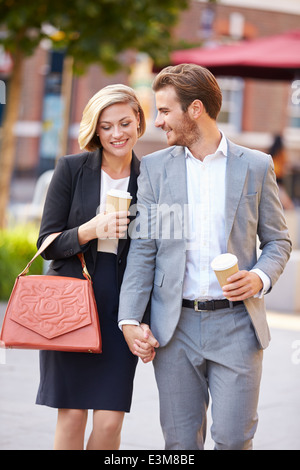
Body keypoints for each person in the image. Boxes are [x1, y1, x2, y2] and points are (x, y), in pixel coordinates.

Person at [118, 64, 292, 450]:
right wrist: (130, 319)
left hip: (237, 325)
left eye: (164, 111)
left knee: (233, 439)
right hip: (174, 328)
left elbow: (279, 242)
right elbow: (145, 248)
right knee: (181, 445)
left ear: (195, 109)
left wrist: (259, 278)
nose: (158, 122)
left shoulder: (256, 166)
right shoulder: (156, 169)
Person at [35, 84, 153, 450]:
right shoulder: (71, 169)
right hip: (70, 305)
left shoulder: (151, 176)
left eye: (124, 123)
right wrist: (89, 230)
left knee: (109, 422)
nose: (116, 134)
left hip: (122, 307)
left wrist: (144, 316)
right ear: (95, 130)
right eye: (106, 126)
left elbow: (156, 255)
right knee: (71, 417)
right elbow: (46, 245)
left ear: (138, 123)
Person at [268, 134, 294, 210]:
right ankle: (290, 209)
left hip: (272, 175)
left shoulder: (271, 151)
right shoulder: (281, 152)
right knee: (282, 195)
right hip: (279, 177)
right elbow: (286, 164)